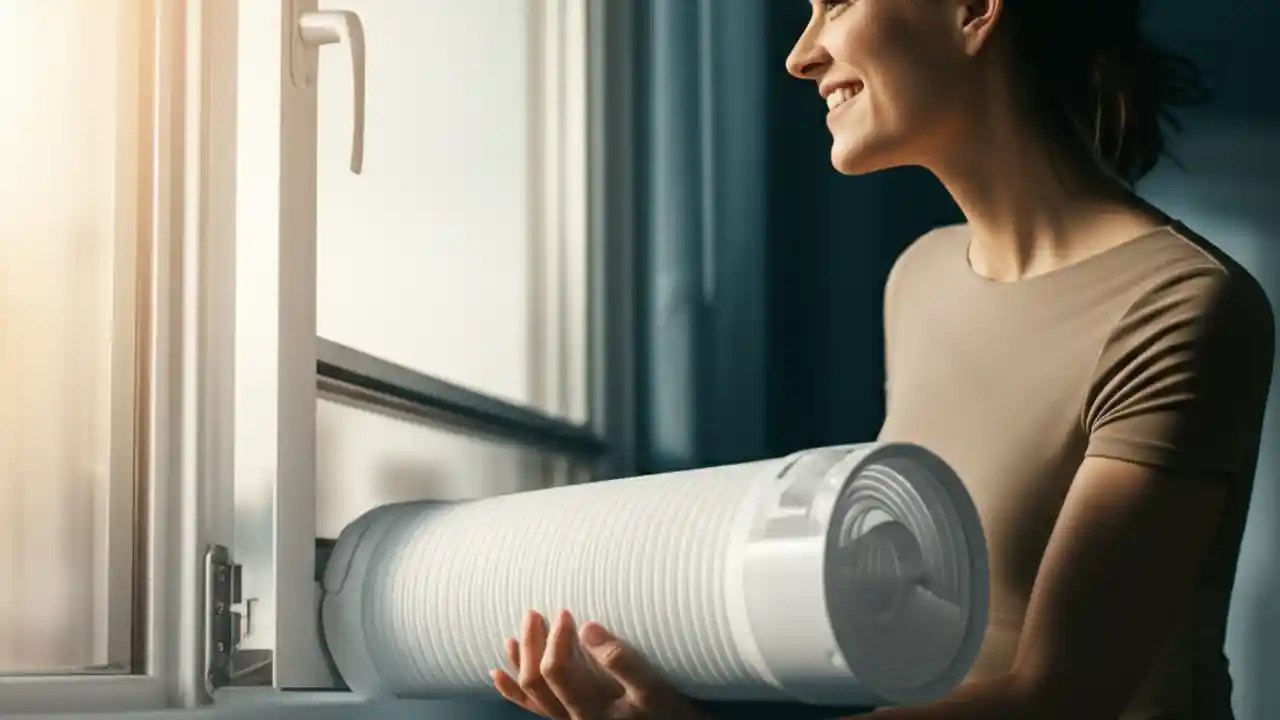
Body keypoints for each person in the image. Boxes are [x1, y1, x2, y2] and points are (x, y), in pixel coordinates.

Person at [489, 0, 1276, 718]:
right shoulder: (920, 277)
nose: (801, 55)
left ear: (972, 12)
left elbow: (1062, 695)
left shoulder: (1180, 303)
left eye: (836, 5)